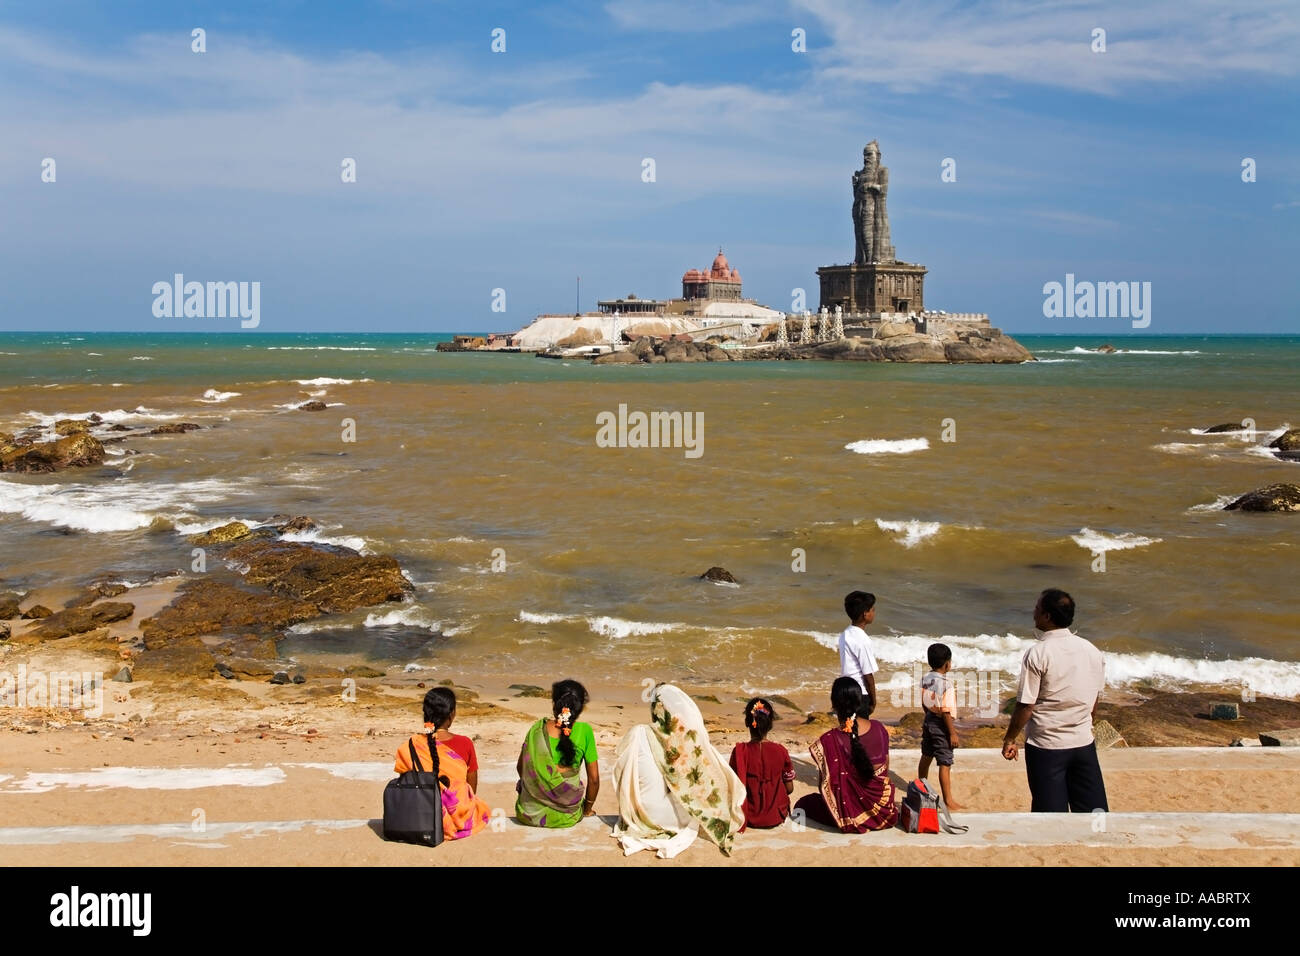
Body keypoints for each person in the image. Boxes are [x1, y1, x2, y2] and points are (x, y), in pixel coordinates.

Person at [1002, 588, 1109, 813]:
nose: (1033, 613)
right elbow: (1094, 701)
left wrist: (1010, 738)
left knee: (1049, 814)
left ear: (1047, 617)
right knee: (1092, 811)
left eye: (1037, 609)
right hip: (1083, 743)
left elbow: (1026, 705)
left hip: (1046, 746)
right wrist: (1085, 726)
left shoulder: (1038, 653)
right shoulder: (1092, 650)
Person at [611, 683, 745, 858]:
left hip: (639, 814)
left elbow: (621, 768)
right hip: (667, 818)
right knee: (691, 798)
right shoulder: (681, 739)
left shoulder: (638, 732)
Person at [794, 676, 898, 832]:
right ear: (859, 702)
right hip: (883, 809)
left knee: (803, 804)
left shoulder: (828, 740)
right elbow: (885, 772)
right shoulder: (879, 728)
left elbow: (825, 786)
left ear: (834, 705)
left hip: (849, 811)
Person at [393, 686, 492, 840]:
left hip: (422, 815)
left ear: (426, 714)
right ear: (452, 713)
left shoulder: (412, 744)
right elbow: (472, 789)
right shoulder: (465, 743)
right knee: (483, 809)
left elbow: (407, 783)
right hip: (458, 817)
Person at [515, 679, 600, 828]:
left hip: (529, 814)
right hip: (567, 817)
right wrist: (587, 810)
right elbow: (594, 779)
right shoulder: (585, 731)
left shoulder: (536, 730)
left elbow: (520, 767)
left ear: (555, 704)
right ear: (579, 708)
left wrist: (536, 789)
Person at [728, 697, 795, 830]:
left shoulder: (739, 752)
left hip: (749, 816)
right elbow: (789, 789)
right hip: (776, 815)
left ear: (747, 722)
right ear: (770, 724)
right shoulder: (781, 751)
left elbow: (733, 787)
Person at [919, 642, 963, 810]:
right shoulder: (947, 685)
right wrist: (952, 733)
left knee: (926, 755)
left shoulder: (926, 678)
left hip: (929, 719)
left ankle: (922, 788)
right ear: (947, 664)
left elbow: (923, 702)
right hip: (942, 725)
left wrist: (928, 716)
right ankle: (948, 800)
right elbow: (946, 712)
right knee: (945, 762)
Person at [838, 590, 879, 714]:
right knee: (860, 729)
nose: (874, 612)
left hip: (845, 690)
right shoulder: (863, 639)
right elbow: (868, 675)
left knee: (848, 728)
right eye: (872, 609)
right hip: (859, 692)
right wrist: (873, 701)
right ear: (865, 614)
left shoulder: (845, 634)